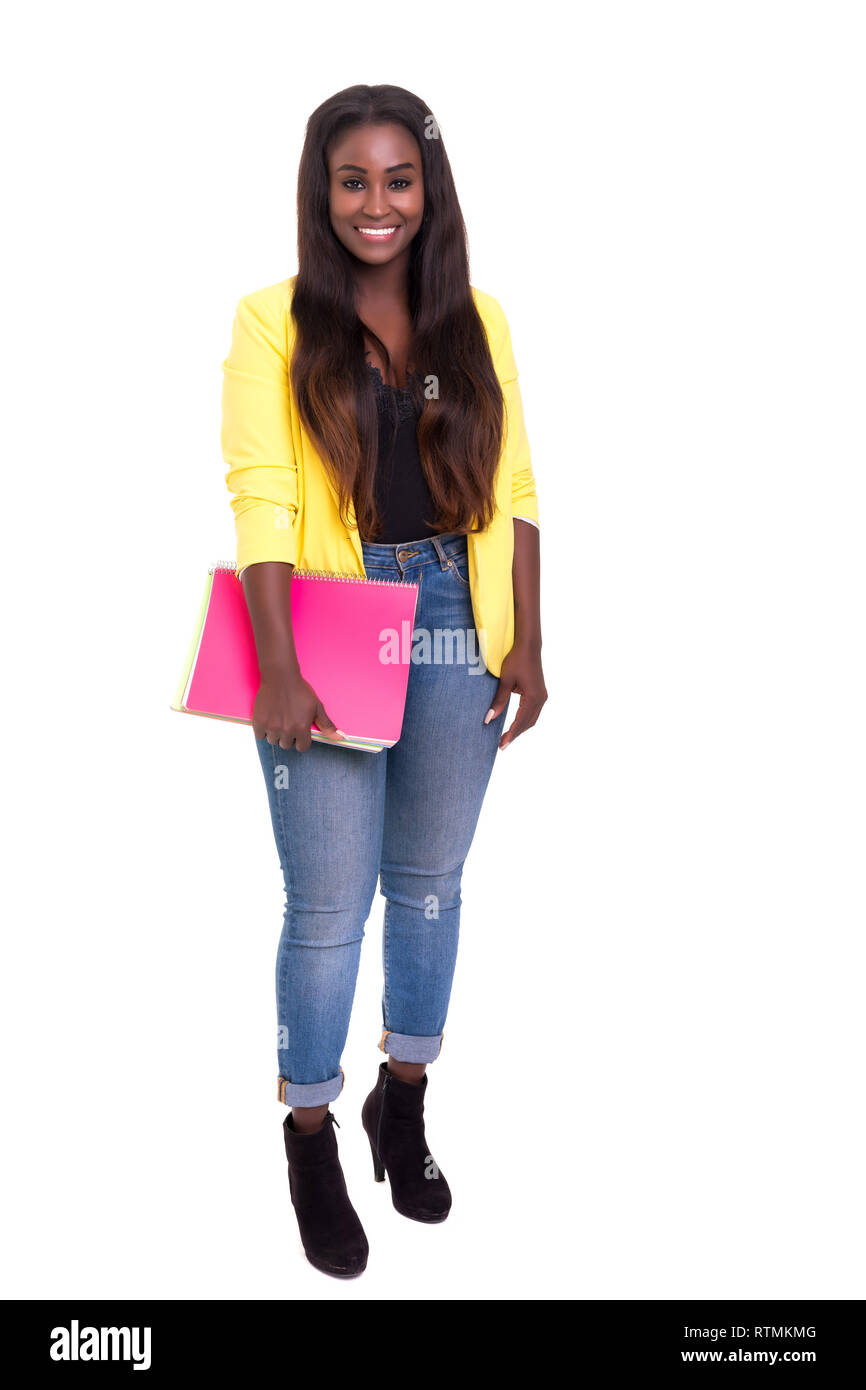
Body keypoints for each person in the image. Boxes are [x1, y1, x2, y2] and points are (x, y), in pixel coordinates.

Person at [221, 84, 546, 1278]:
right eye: (351, 181)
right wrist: (278, 664)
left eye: (396, 180)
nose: (375, 204)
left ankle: (398, 1102)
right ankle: (309, 1128)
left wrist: (530, 641)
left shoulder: (479, 319)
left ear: (428, 188)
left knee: (427, 887)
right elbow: (259, 492)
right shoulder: (272, 321)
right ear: (322, 191)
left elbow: (512, 486)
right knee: (325, 909)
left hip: (460, 609)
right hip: (331, 615)